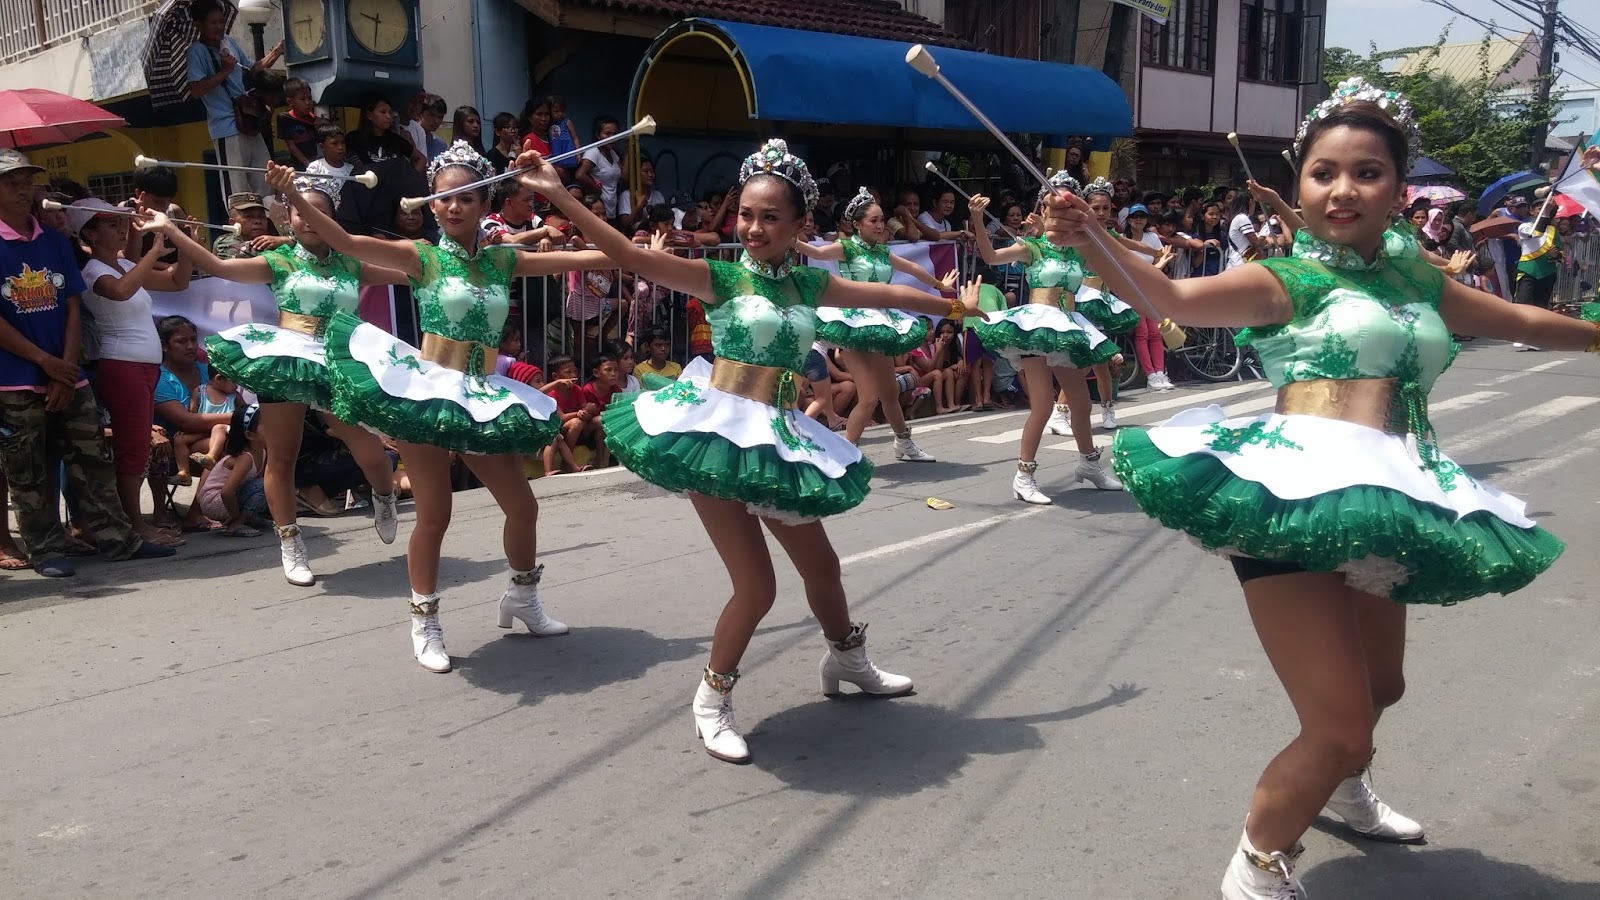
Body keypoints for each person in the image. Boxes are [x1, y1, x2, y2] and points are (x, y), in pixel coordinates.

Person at [1043, 77, 1589, 899]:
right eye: (1324, 172)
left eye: (1366, 172)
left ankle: (1342, 788)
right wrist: (1091, 241)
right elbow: (1171, 295)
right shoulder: (1287, 281)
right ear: (1298, 184)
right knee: (1338, 726)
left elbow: (1522, 323)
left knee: (1382, 691)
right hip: (1289, 498)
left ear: (1398, 191)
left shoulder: (1418, 284)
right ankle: (1257, 870)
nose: (1343, 189)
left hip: (1387, 495)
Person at [520, 138, 985, 763]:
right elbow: (627, 253)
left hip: (780, 436)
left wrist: (956, 305)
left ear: (800, 225)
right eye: (746, 214)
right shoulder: (721, 275)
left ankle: (847, 661)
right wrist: (556, 195)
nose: (754, 226)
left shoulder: (809, 283)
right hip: (717, 434)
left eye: (770, 216)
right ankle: (712, 698)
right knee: (758, 585)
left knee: (822, 569)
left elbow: (889, 297)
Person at [269, 145, 614, 672]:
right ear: (431, 205)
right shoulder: (420, 257)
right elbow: (343, 240)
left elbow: (599, 257)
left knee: (523, 507)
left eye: (466, 198)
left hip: (480, 394)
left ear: (483, 203)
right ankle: (424, 618)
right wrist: (294, 195)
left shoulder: (504, 258)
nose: (454, 207)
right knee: (436, 514)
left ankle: (523, 597)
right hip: (428, 393)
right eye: (444, 198)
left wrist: (560, 195)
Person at [151, 175, 406, 586]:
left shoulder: (352, 262)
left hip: (340, 359)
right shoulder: (280, 262)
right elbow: (217, 266)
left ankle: (383, 496)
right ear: (288, 220)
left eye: (319, 213)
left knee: (369, 449)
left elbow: (410, 273)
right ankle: (290, 542)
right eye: (299, 213)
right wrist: (171, 232)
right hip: (289, 360)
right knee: (281, 455)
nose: (308, 220)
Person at [0, 150, 176, 577]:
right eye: (12, 183)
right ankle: (45, 548)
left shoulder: (54, 242)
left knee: (92, 458)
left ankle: (117, 538)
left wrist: (65, 366)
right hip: (17, 378)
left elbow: (73, 307)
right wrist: (44, 362)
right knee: (31, 469)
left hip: (68, 372)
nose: (24, 190)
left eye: (28, 181)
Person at [968, 174, 1123, 504]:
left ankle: (1089, 465)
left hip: (1068, 327)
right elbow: (991, 256)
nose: (1061, 215)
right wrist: (978, 219)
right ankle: (1023, 477)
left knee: (1080, 403)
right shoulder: (1032, 247)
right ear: (1043, 210)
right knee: (1042, 406)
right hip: (1036, 327)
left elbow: (1115, 264)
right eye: (1055, 209)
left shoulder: (1080, 251)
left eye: (1068, 209)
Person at [791, 186, 954, 460]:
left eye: (882, 219)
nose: (881, 225)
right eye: (874, 221)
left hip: (882, 324)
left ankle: (903, 442)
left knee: (889, 393)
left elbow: (912, 268)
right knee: (868, 397)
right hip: (854, 326)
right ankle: (845, 454)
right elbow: (816, 254)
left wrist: (939, 285)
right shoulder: (846, 248)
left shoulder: (882, 252)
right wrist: (789, 235)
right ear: (857, 225)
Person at [72, 198, 194, 546]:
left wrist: (184, 241)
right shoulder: (93, 272)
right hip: (121, 365)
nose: (121, 227)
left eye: (119, 221)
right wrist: (156, 249)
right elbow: (122, 292)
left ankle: (135, 523)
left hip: (142, 367)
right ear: (90, 234)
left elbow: (178, 282)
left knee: (137, 446)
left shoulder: (125, 263)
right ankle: (136, 526)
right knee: (133, 447)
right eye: (110, 224)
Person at [185, 0, 283, 197]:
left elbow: (251, 70)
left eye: (221, 21)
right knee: (237, 190)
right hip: (226, 127)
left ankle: (268, 224)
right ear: (199, 25)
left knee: (266, 182)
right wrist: (225, 71)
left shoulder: (229, 42)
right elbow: (195, 90)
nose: (219, 27)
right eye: (213, 23)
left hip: (250, 122)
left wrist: (276, 52)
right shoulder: (196, 51)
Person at [197, 403, 268, 536]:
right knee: (268, 483)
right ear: (249, 435)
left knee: (269, 483)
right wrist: (234, 515)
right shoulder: (245, 458)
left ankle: (247, 518)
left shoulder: (262, 452)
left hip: (228, 499)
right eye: (267, 424)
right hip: (214, 501)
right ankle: (237, 523)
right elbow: (226, 492)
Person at [575, 116, 623, 220]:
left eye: (615, 134)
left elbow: (623, 176)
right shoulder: (593, 153)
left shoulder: (614, 154)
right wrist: (598, 191)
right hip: (598, 209)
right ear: (598, 135)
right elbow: (580, 174)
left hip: (611, 207)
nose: (612, 137)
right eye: (607, 134)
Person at [277, 78, 319, 170]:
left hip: (318, 162)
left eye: (310, 98)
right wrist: (309, 165)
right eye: (302, 99)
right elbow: (292, 146)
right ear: (290, 102)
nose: (308, 103)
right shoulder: (285, 118)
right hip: (300, 166)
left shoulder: (315, 114)